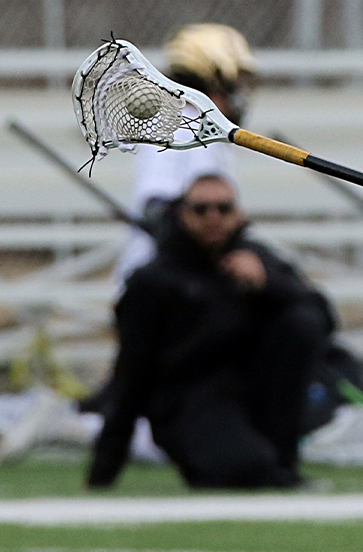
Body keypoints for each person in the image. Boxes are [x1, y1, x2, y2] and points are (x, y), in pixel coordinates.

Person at [89, 173, 330, 490]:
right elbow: (131, 373)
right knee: (246, 467)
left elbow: (323, 318)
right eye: (201, 209)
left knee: (301, 321)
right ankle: (255, 464)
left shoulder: (256, 258)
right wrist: (104, 470)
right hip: (189, 402)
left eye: (223, 208)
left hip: (251, 393)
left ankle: (284, 464)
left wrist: (268, 283)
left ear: (238, 214)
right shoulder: (155, 280)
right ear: (182, 215)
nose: (213, 217)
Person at [114, 23, 258, 282]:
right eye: (232, 83)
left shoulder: (201, 127)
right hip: (165, 281)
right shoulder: (181, 127)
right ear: (213, 78)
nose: (237, 93)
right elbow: (156, 204)